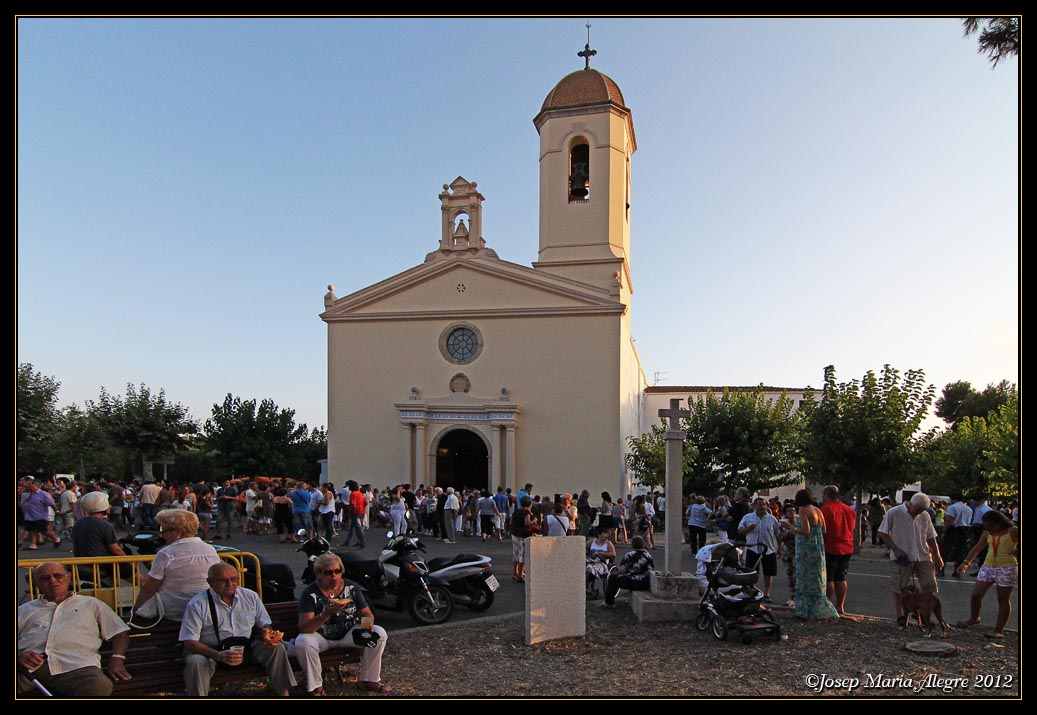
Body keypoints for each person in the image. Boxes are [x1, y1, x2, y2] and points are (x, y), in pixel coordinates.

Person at [178, 563, 295, 697]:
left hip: (246, 647)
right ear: (209, 582)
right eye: (223, 580)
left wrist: (266, 634)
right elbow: (189, 642)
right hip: (211, 651)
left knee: (277, 648)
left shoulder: (250, 596)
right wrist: (218, 655)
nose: (230, 584)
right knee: (195, 661)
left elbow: (264, 624)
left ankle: (284, 694)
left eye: (234, 579)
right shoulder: (197, 604)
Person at [18, 562, 132, 696]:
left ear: (69, 577)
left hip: (75, 667)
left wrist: (117, 659)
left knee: (99, 686)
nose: (52, 581)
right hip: (28, 668)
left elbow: (119, 632)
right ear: (35, 582)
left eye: (58, 576)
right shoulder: (25, 610)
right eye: (45, 578)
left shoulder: (90, 604)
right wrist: (18, 656)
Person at [295, 552, 392, 695]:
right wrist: (326, 614)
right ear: (319, 574)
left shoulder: (351, 588)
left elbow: (366, 614)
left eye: (337, 571)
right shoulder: (310, 593)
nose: (334, 576)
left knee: (379, 633)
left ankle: (369, 679)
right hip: (321, 636)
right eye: (328, 573)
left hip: (348, 633)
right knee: (302, 642)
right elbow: (305, 628)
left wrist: (366, 628)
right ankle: (316, 687)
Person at [132, 509, 222, 622]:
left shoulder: (166, 554)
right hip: (205, 610)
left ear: (178, 532)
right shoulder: (210, 550)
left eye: (164, 530)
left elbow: (149, 589)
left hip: (175, 612)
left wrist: (135, 611)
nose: (162, 535)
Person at [878, 492, 945, 627]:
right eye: (917, 509)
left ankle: (922, 613)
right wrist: (896, 550)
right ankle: (901, 615)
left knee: (929, 585)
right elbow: (882, 532)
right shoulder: (894, 512)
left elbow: (931, 537)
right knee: (901, 587)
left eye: (922, 510)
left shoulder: (924, 515)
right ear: (911, 504)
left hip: (923, 555)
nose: (919, 512)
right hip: (902, 556)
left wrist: (937, 556)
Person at [955, 510, 1019, 638]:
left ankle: (998, 630)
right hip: (988, 566)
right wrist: (966, 563)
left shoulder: (1013, 531)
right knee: (976, 594)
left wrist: (1017, 550)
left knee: (1003, 598)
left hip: (1007, 567)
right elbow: (977, 548)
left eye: (991, 526)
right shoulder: (987, 533)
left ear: (1000, 523)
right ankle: (974, 617)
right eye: (986, 526)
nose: (989, 529)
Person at [780, 489, 839, 620]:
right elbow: (824, 530)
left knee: (805, 577)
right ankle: (819, 608)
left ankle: (805, 611)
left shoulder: (803, 510)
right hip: (817, 547)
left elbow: (805, 530)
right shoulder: (818, 510)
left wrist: (790, 527)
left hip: (806, 548)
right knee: (817, 576)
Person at [820, 485, 858, 617]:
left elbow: (823, 530)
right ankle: (840, 605)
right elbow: (852, 527)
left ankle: (828, 605)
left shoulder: (826, 509)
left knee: (829, 578)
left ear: (827, 495)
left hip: (831, 546)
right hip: (847, 545)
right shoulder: (849, 510)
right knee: (841, 577)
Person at [738, 497, 781, 601]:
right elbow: (740, 530)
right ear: (754, 506)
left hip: (768, 550)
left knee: (768, 573)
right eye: (760, 505)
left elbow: (778, 534)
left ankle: (767, 593)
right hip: (753, 549)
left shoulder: (771, 519)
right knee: (752, 573)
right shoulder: (748, 517)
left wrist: (779, 548)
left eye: (764, 505)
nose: (762, 507)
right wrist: (748, 529)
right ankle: (752, 592)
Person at [601, 535, 654, 608]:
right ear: (643, 544)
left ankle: (609, 603)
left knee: (612, 578)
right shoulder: (649, 556)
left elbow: (622, 570)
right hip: (645, 582)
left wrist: (616, 569)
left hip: (633, 582)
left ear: (632, 545)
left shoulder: (629, 555)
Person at [942, 492, 972, 577]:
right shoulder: (968, 509)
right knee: (960, 551)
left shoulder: (952, 507)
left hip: (953, 529)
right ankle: (957, 570)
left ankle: (941, 569)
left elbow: (949, 519)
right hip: (964, 529)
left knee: (946, 550)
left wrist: (944, 530)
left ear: (953, 499)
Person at [511, 496, 538, 582]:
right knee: (523, 554)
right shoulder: (527, 512)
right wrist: (534, 521)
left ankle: (515, 573)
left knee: (516, 553)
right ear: (530, 504)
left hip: (515, 534)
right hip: (523, 535)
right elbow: (527, 523)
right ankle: (520, 574)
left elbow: (511, 522)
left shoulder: (516, 511)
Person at [585, 527, 616, 595]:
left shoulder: (608, 543)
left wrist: (600, 553)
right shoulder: (592, 542)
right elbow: (582, 547)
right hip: (591, 560)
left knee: (588, 568)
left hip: (602, 563)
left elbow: (613, 554)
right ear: (599, 534)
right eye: (604, 533)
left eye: (606, 533)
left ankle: (586, 586)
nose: (606, 535)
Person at [341, 480, 368, 548]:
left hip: (355, 512)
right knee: (352, 528)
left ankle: (363, 543)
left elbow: (353, 505)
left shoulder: (353, 494)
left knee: (357, 528)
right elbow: (366, 503)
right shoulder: (360, 493)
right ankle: (347, 542)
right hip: (360, 511)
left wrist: (349, 512)